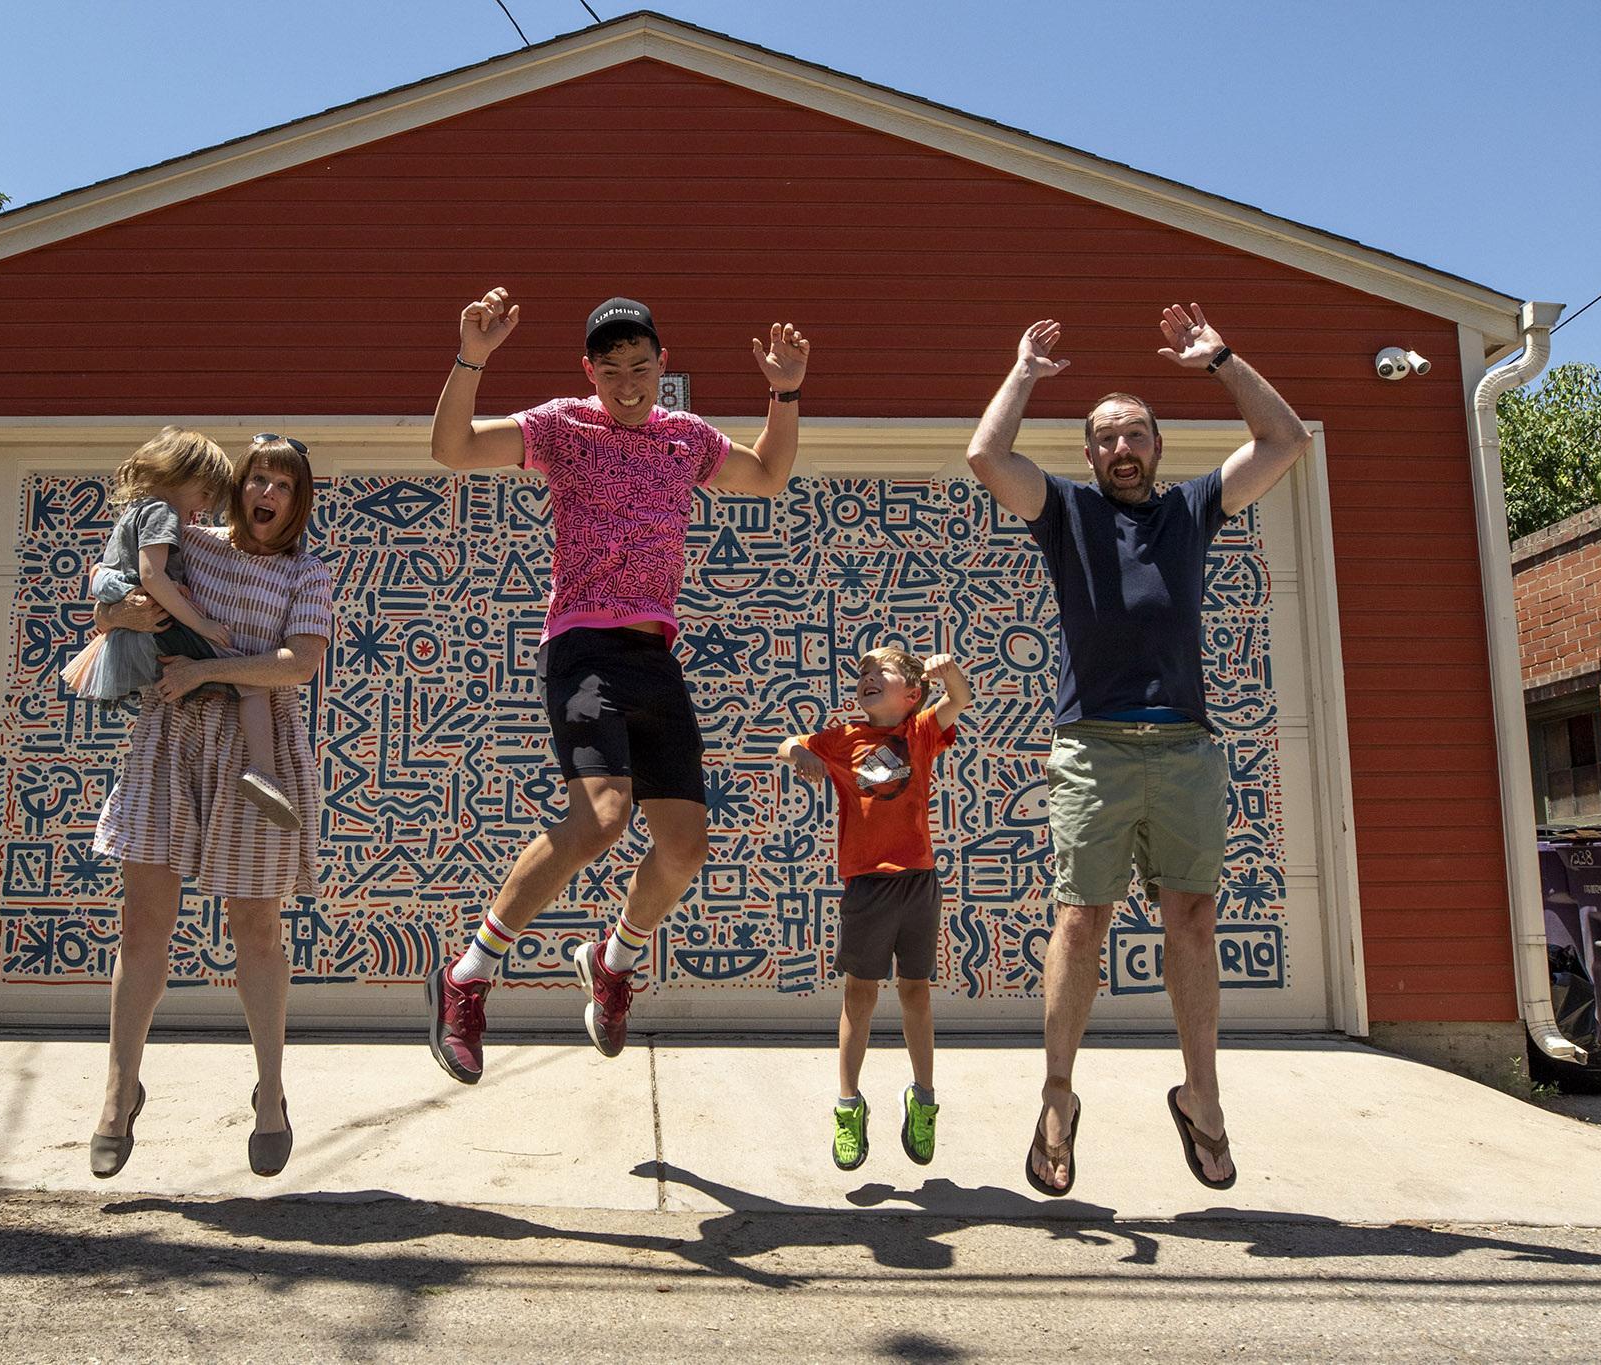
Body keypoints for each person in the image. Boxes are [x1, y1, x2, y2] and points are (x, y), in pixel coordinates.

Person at [963, 305, 1312, 1196]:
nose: (1122, 447)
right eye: (1107, 436)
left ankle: (1202, 1094)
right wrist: (1025, 371)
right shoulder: (1068, 512)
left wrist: (1222, 359)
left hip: (1186, 746)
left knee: (1193, 922)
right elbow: (985, 458)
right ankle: (1056, 1097)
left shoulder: (1194, 510)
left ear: (1158, 446)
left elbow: (1284, 439)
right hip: (1093, 748)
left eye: (1136, 433)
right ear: (1089, 456)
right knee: (1082, 917)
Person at [424, 288, 812, 1084]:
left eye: (640, 366)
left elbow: (770, 474)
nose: (627, 382)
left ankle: (613, 957)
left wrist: (786, 392)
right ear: (590, 373)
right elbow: (453, 449)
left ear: (662, 366)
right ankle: (468, 975)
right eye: (611, 369)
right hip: (584, 647)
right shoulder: (562, 427)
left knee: (684, 846)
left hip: (656, 655)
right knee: (600, 818)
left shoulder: (685, 439)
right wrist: (472, 359)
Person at [84, 433, 333, 1180]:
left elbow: (302, 662)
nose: (265, 492)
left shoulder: (307, 573)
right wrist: (119, 615)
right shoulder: (188, 543)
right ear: (237, 485)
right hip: (169, 736)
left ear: (296, 501)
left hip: (257, 749)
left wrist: (208, 670)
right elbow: (112, 602)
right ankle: (118, 1093)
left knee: (254, 926)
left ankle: (271, 1095)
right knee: (142, 923)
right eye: (256, 477)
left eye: (282, 485)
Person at [777, 646, 970, 1171]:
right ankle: (848, 1106)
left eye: (878, 672)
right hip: (866, 887)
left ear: (910, 695)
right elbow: (787, 743)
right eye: (862, 672)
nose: (865, 678)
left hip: (919, 883)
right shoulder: (843, 738)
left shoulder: (922, 732)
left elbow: (960, 699)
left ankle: (923, 1099)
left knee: (915, 992)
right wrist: (802, 755)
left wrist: (947, 672)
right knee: (859, 995)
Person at [63, 427, 300, 830]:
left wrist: (198, 663)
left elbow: (104, 574)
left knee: (229, 677)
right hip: (161, 649)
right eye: (258, 480)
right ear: (180, 474)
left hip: (152, 639)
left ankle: (259, 770)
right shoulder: (170, 520)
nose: (206, 503)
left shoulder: (143, 511)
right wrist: (201, 624)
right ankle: (263, 770)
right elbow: (140, 584)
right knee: (252, 683)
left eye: (283, 486)